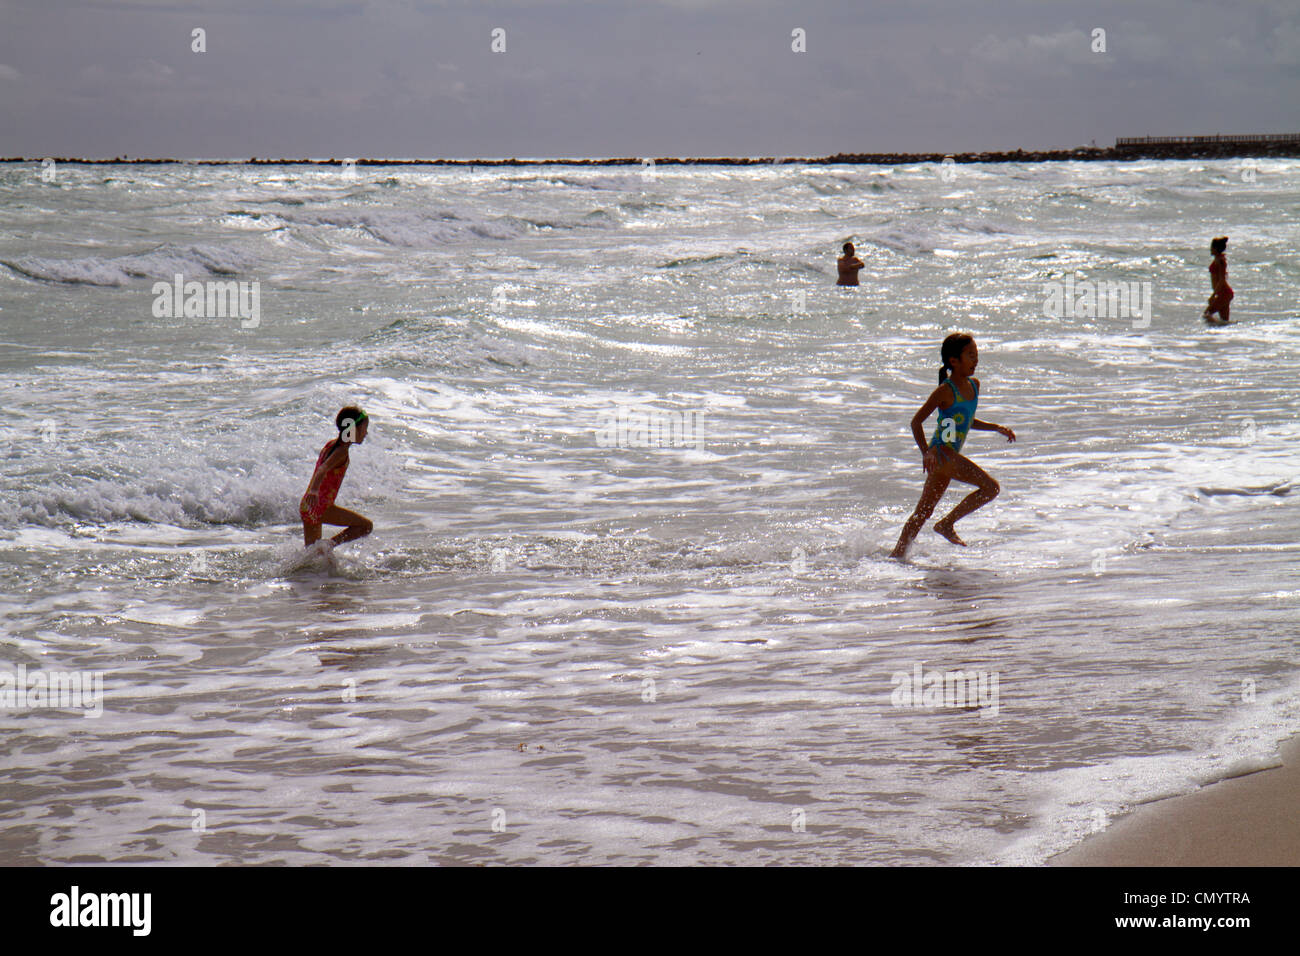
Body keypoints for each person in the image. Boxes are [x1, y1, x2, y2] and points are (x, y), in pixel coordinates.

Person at [890, 334, 1016, 559]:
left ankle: (897, 556)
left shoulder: (974, 386)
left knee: (923, 512)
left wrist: (996, 427)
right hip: (942, 454)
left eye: (976, 355)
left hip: (945, 459)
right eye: (970, 356)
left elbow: (966, 420)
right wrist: (926, 452)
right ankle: (947, 524)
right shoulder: (945, 390)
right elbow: (916, 422)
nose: (975, 360)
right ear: (954, 361)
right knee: (991, 488)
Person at [300, 406, 373, 553]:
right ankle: (329, 545)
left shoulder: (332, 444)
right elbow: (323, 469)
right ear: (354, 429)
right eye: (364, 428)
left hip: (308, 506)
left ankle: (305, 570)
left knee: (312, 556)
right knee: (366, 526)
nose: (366, 433)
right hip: (320, 507)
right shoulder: (341, 451)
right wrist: (314, 490)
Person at [1203, 236, 1233, 323]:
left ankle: (1210, 333)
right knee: (1224, 322)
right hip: (1222, 293)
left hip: (1224, 293)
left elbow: (1222, 280)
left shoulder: (1220, 261)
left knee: (1207, 314)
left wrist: (1213, 296)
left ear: (1216, 248)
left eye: (1211, 247)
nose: (1210, 249)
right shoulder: (1217, 259)